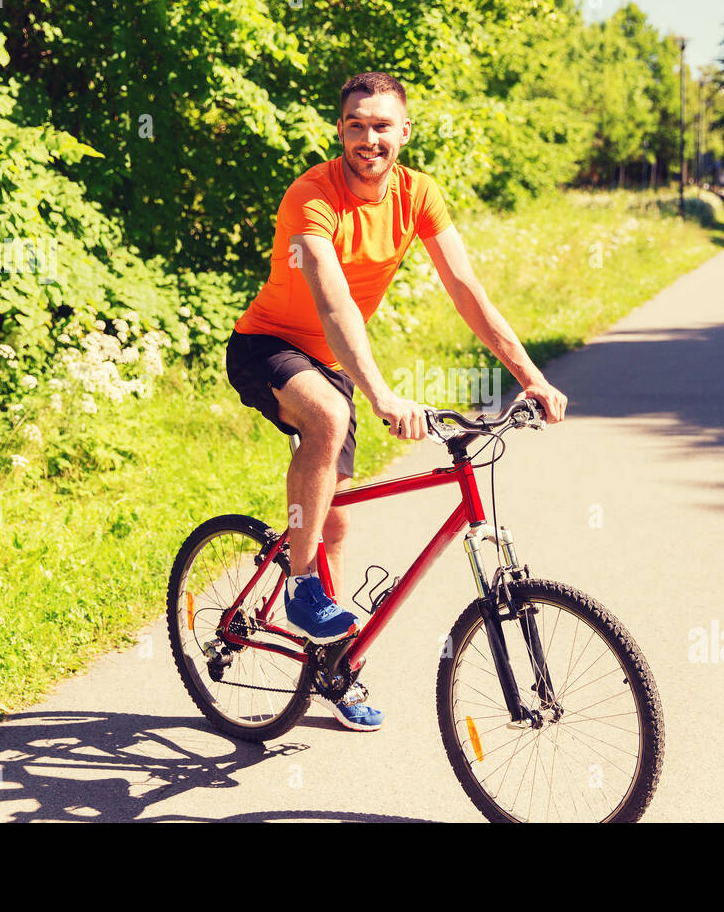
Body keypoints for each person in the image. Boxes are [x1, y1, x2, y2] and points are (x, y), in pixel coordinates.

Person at [225, 71, 568, 731]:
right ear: (340, 130)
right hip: (265, 346)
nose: (368, 138)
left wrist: (529, 376)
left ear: (404, 131)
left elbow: (466, 289)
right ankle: (301, 591)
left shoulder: (418, 196)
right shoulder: (311, 197)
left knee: (338, 519)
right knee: (327, 415)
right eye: (356, 124)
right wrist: (379, 392)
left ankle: (333, 668)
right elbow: (331, 300)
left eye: (382, 125)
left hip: (329, 360)